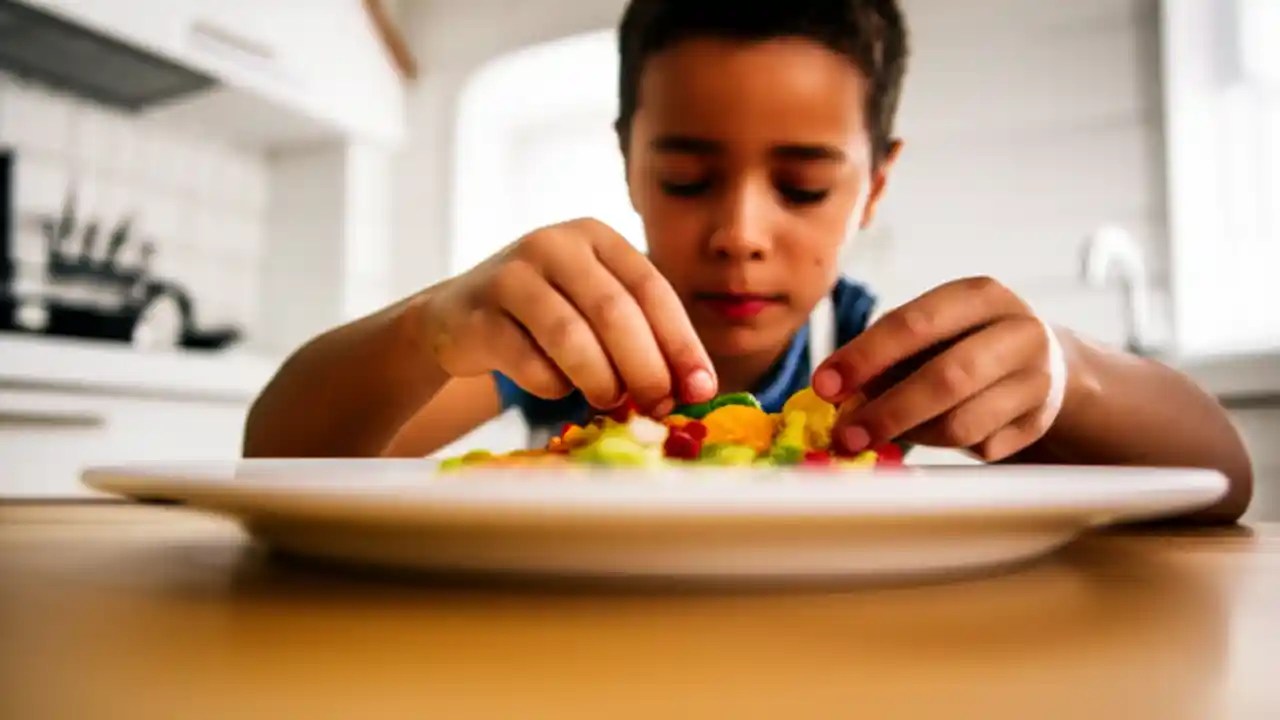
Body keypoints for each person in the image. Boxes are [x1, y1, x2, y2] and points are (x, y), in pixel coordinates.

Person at [243, 0, 1252, 522]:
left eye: (804, 187)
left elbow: (1218, 477)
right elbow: (278, 460)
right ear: (627, 166)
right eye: (686, 178)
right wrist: (429, 327)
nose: (738, 232)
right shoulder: (566, 342)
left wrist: (1068, 376)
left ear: (876, 184)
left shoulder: (877, 358)